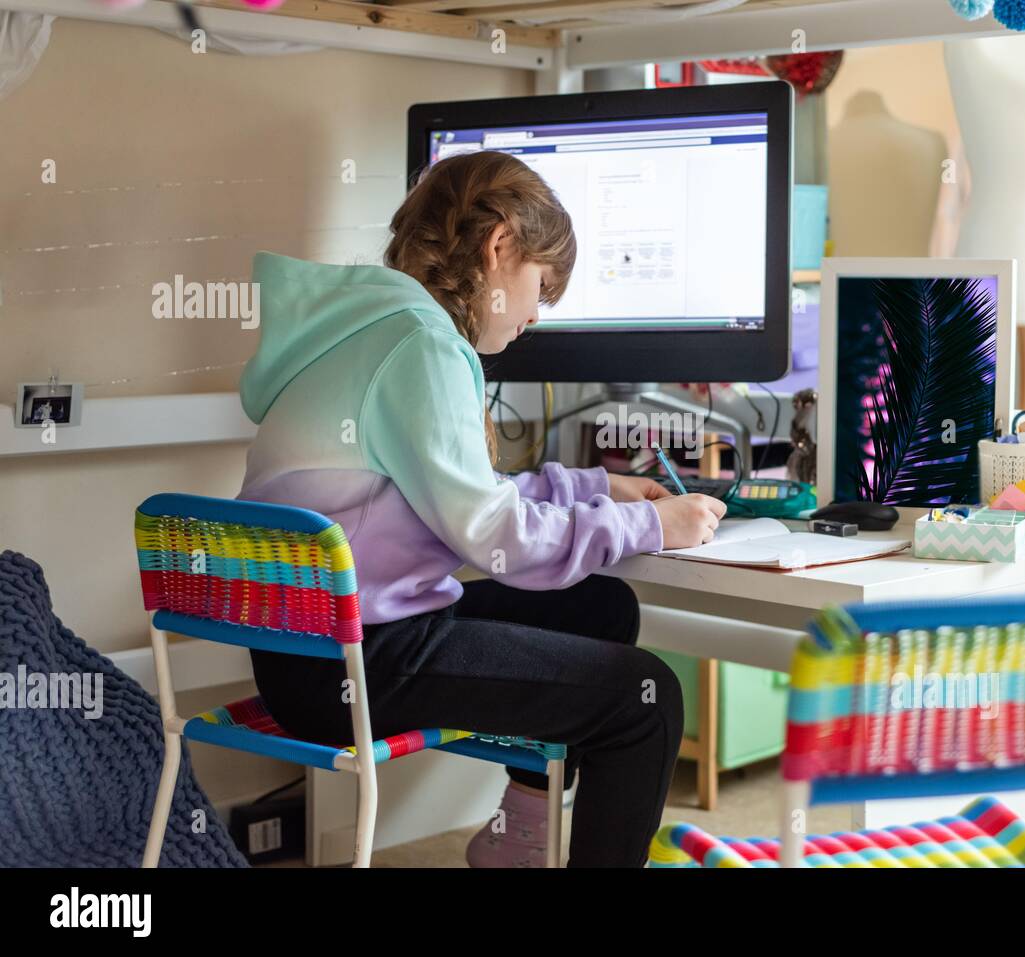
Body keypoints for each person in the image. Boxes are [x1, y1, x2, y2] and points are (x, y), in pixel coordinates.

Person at [237, 150, 726, 867]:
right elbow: (495, 534)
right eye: (541, 288)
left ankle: (520, 837)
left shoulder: (369, 329)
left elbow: (463, 499)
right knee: (646, 698)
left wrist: (596, 488)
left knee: (601, 607)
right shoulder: (421, 344)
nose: (535, 315)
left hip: (309, 653)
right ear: (501, 245)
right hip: (354, 664)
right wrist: (652, 524)